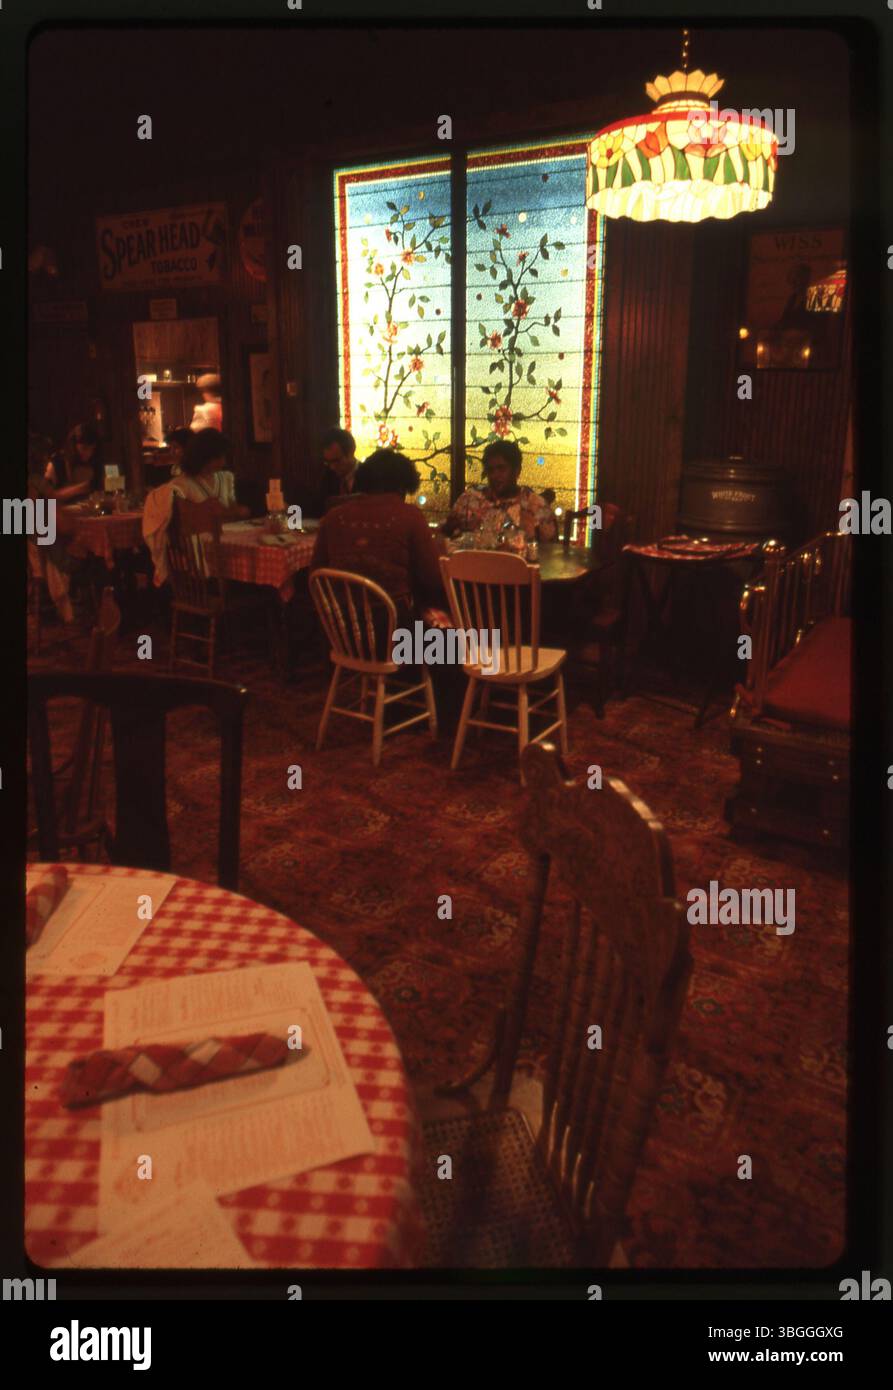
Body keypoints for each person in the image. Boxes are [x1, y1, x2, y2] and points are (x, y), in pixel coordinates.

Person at [310, 448, 444, 620]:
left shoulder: (333, 517)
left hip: (344, 628)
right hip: (396, 630)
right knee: (452, 630)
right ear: (404, 485)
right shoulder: (410, 515)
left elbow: (316, 575)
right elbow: (432, 579)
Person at [142, 428, 249, 586]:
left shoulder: (225, 478)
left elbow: (232, 511)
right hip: (200, 568)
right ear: (205, 457)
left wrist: (237, 511)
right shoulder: (180, 486)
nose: (224, 462)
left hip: (227, 549)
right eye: (219, 457)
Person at [444, 440, 558, 545]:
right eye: (490, 470)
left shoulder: (536, 505)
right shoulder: (470, 499)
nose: (495, 476)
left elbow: (551, 553)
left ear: (517, 470)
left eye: (501, 469)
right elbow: (445, 534)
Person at [47, 422, 105, 496]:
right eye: (85, 448)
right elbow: (45, 499)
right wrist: (80, 488)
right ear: (73, 446)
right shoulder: (57, 463)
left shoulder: (94, 464)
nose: (89, 453)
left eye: (92, 449)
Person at [318, 427, 359, 511]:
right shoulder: (328, 476)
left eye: (337, 461)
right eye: (328, 462)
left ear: (351, 452)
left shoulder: (369, 475)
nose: (332, 467)